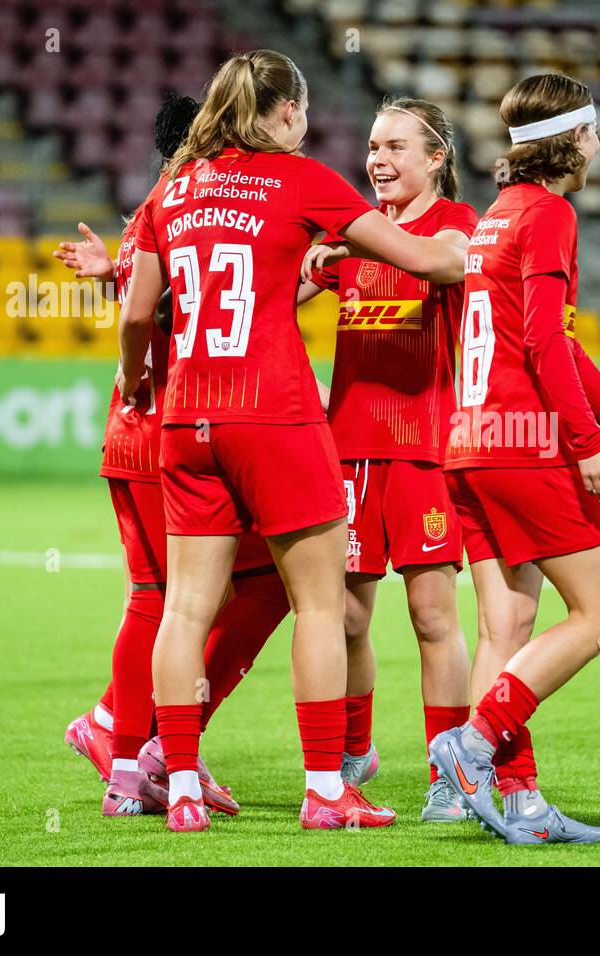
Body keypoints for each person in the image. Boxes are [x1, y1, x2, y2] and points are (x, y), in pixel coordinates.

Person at [119, 50, 468, 832]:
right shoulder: (300, 178)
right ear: (285, 111)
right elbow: (421, 256)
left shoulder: (173, 188)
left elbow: (139, 312)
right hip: (274, 415)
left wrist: (135, 377)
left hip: (187, 418)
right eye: (303, 111)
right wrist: (489, 251)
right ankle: (325, 789)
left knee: (184, 609)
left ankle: (176, 787)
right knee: (319, 604)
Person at [425, 73, 600, 844]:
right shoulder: (551, 215)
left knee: (508, 630)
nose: (599, 145)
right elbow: (542, 344)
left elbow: (559, 343)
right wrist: (587, 444)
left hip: (469, 445)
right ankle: (470, 747)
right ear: (575, 141)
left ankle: (524, 802)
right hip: (521, 445)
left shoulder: (498, 216)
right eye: (594, 131)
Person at [58, 93, 289, 818]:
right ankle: (147, 748)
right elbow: (151, 315)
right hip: (175, 427)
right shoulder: (193, 203)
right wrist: (135, 370)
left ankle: (125, 745)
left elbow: (151, 301)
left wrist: (116, 274)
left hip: (139, 432)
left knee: (165, 596)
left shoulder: (161, 204)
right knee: (261, 583)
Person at [297, 97, 476, 823]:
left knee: (433, 615)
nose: (378, 160)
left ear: (436, 159)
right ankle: (352, 754)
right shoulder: (353, 238)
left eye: (397, 147)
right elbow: (276, 292)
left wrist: (350, 245)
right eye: (373, 146)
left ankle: (450, 772)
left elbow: (450, 266)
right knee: (341, 616)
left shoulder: (456, 226)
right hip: (347, 454)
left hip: (426, 452)